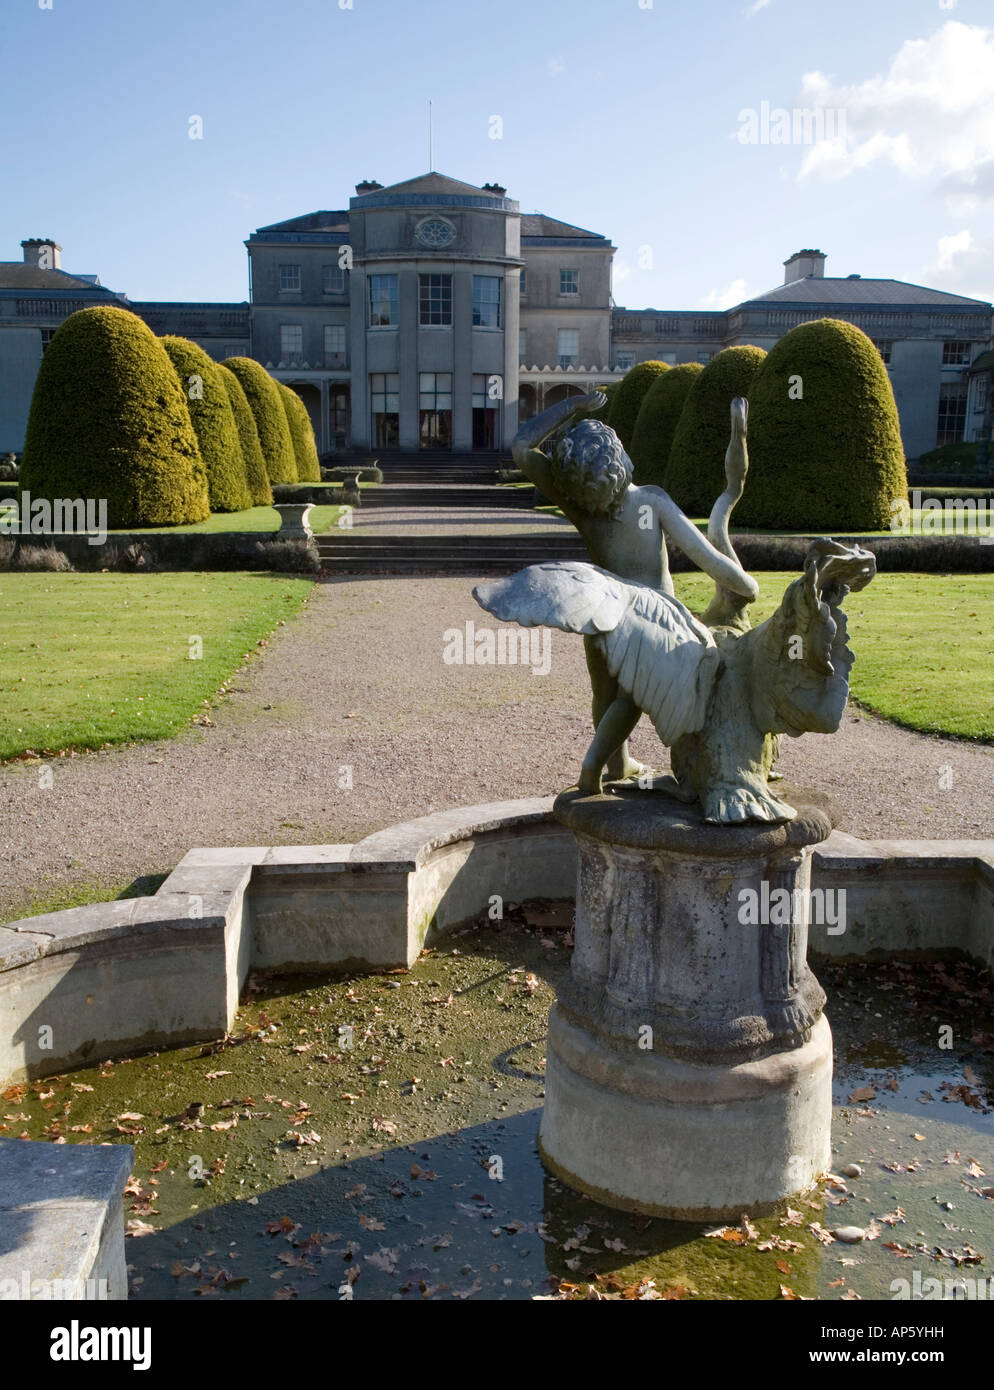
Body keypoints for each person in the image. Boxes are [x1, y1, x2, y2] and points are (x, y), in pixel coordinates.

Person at [512, 391, 758, 781]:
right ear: (619, 455)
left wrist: (572, 406)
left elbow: (522, 446)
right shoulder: (651, 502)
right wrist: (748, 585)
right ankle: (593, 766)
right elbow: (708, 559)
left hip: (601, 608)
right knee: (632, 697)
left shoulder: (579, 505)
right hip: (651, 619)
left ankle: (616, 764)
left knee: (605, 692)